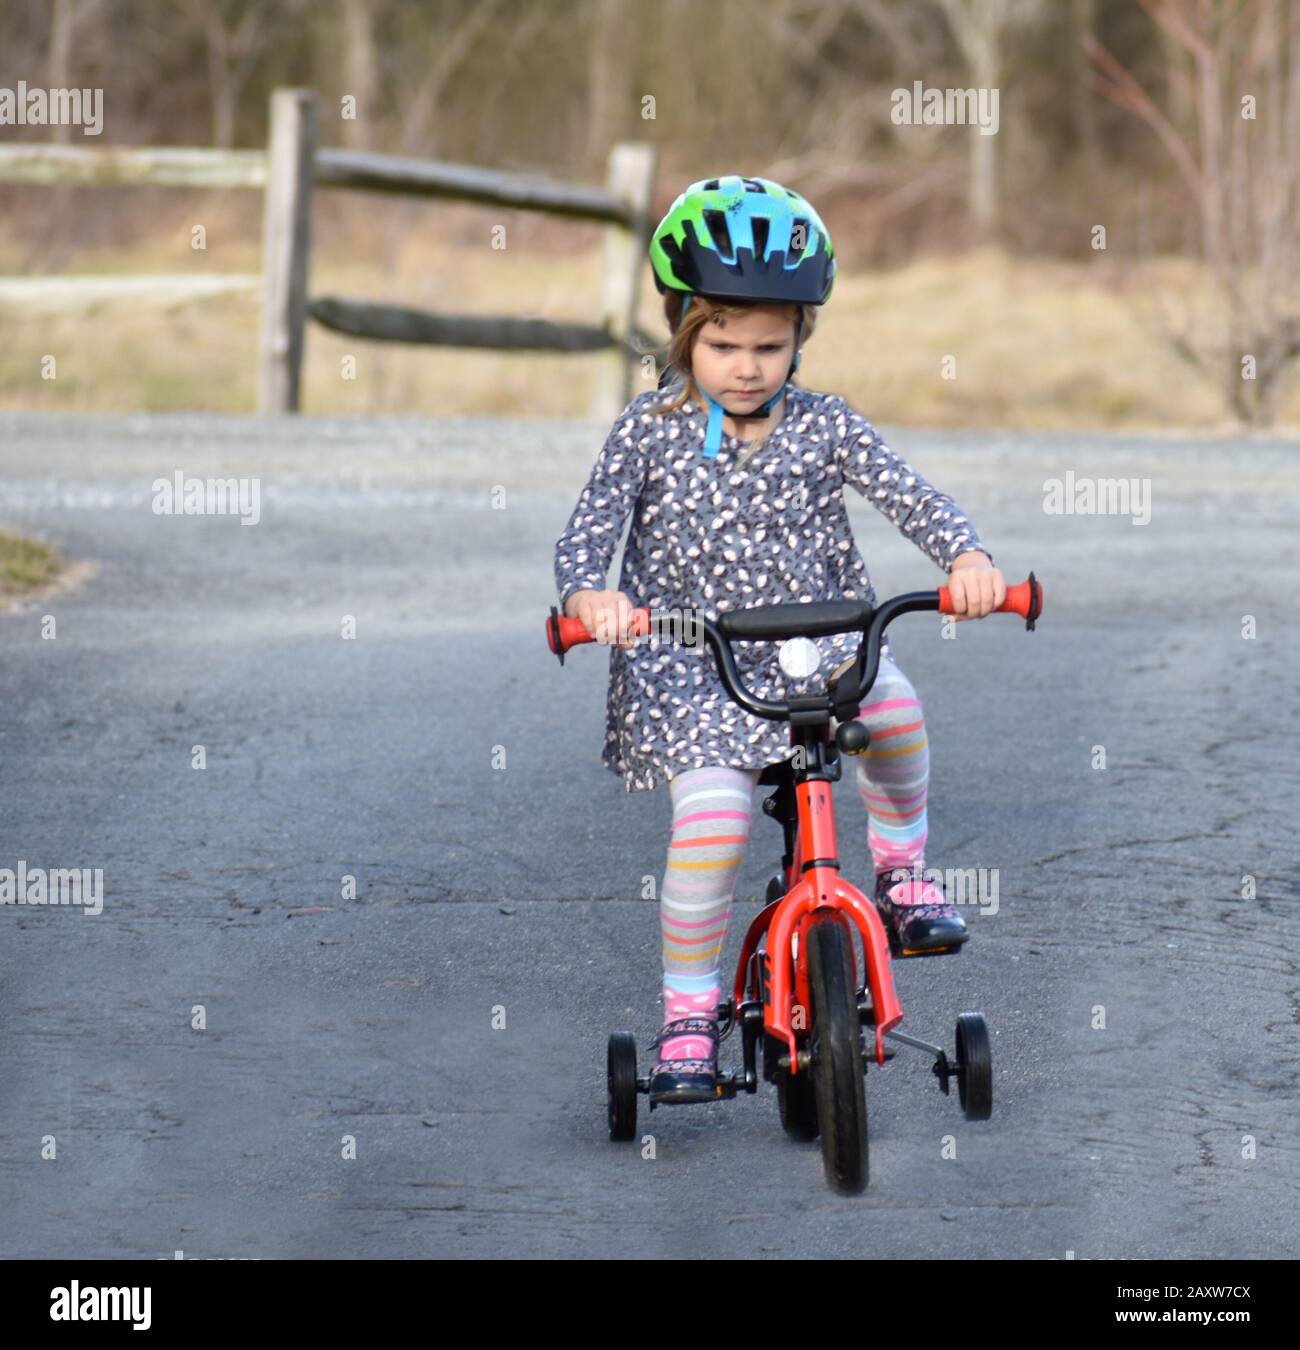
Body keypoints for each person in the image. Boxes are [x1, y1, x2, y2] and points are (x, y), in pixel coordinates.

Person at [553, 175, 1005, 1104]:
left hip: (823, 645)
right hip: (693, 662)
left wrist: (966, 556)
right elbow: (589, 528)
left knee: (896, 710)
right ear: (684, 331)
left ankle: (904, 876)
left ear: (802, 337)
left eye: (770, 344)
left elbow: (908, 491)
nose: (748, 366)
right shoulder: (649, 432)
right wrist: (591, 595)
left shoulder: (826, 424)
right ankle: (687, 1015)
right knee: (713, 825)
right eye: (723, 343)